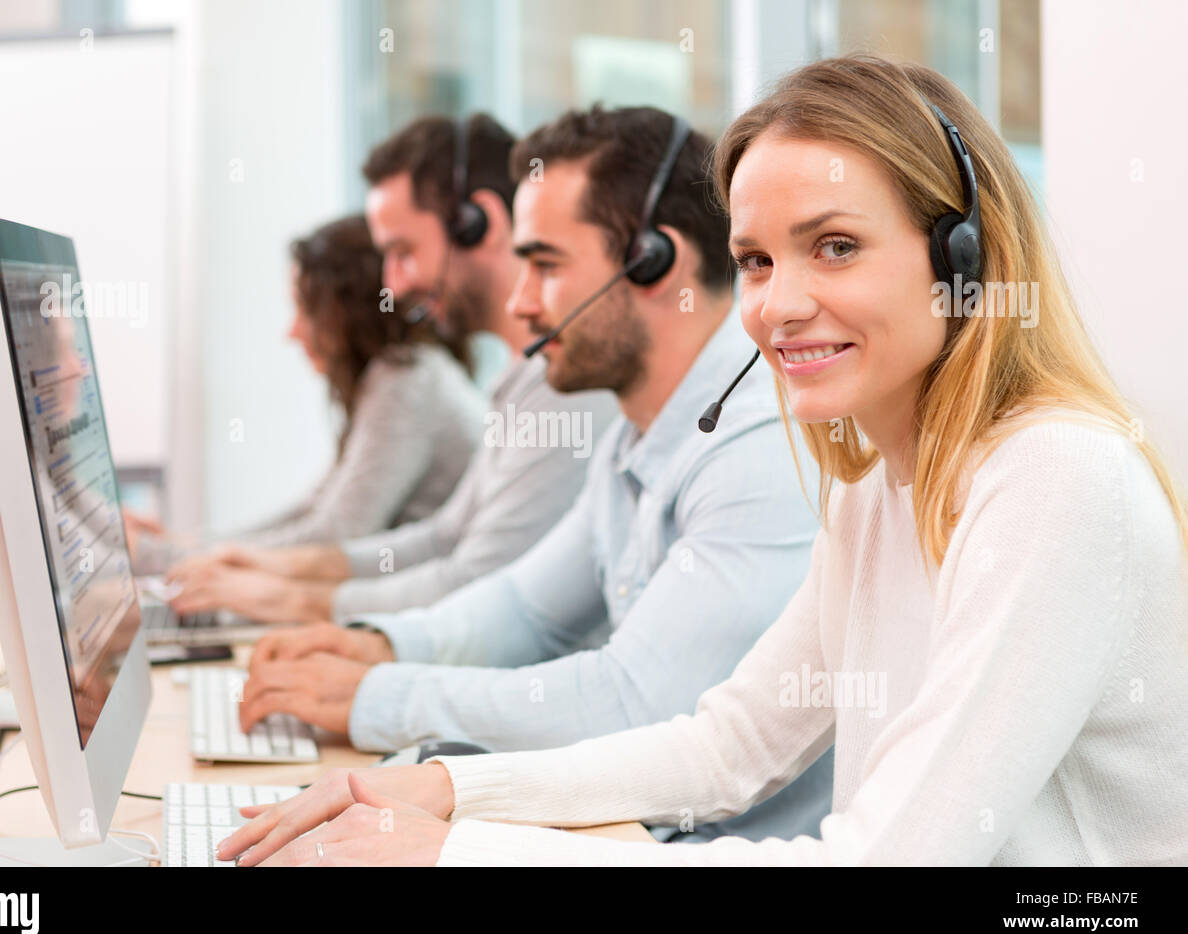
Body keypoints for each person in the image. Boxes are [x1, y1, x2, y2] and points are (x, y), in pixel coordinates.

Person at [218, 56, 1188, 867]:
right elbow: (727, 746)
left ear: (961, 259)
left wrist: (451, 846)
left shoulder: (1055, 478)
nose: (776, 303)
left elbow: (884, 859)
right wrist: (441, 783)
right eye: (759, 259)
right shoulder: (875, 486)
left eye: (836, 246)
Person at [231, 105, 835, 848]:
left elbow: (631, 701)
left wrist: (375, 695)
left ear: (653, 261)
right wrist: (377, 644)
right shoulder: (635, 436)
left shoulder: (760, 444)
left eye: (545, 266)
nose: (522, 302)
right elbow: (523, 608)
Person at [160, 114, 618, 623]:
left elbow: (473, 582)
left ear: (476, 223)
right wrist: (267, 567)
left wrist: (284, 594)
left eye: (403, 252)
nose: (393, 287)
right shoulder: (519, 380)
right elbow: (444, 538)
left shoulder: (563, 385)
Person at [125, 215, 485, 580]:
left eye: (306, 310)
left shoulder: (408, 383)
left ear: (350, 312)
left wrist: (165, 557)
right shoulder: (394, 377)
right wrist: (186, 548)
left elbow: (335, 535)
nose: (292, 332)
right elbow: (313, 512)